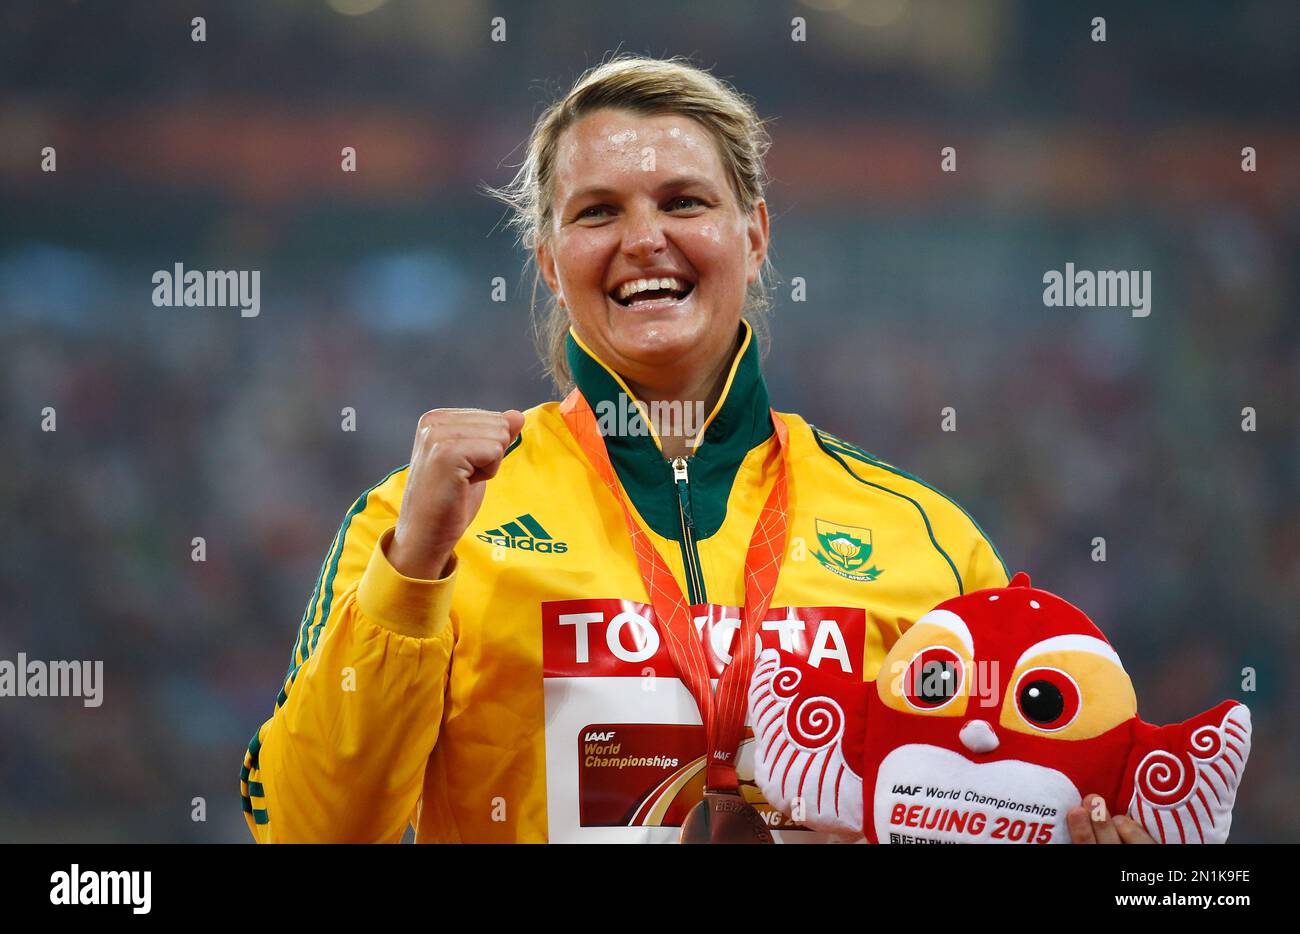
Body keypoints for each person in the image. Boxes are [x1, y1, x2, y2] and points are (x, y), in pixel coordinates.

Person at [240, 54, 1147, 843]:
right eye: (597, 212)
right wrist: (416, 569)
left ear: (753, 237)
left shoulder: (923, 543)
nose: (644, 240)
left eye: (684, 202)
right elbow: (307, 828)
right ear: (550, 263)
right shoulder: (426, 523)